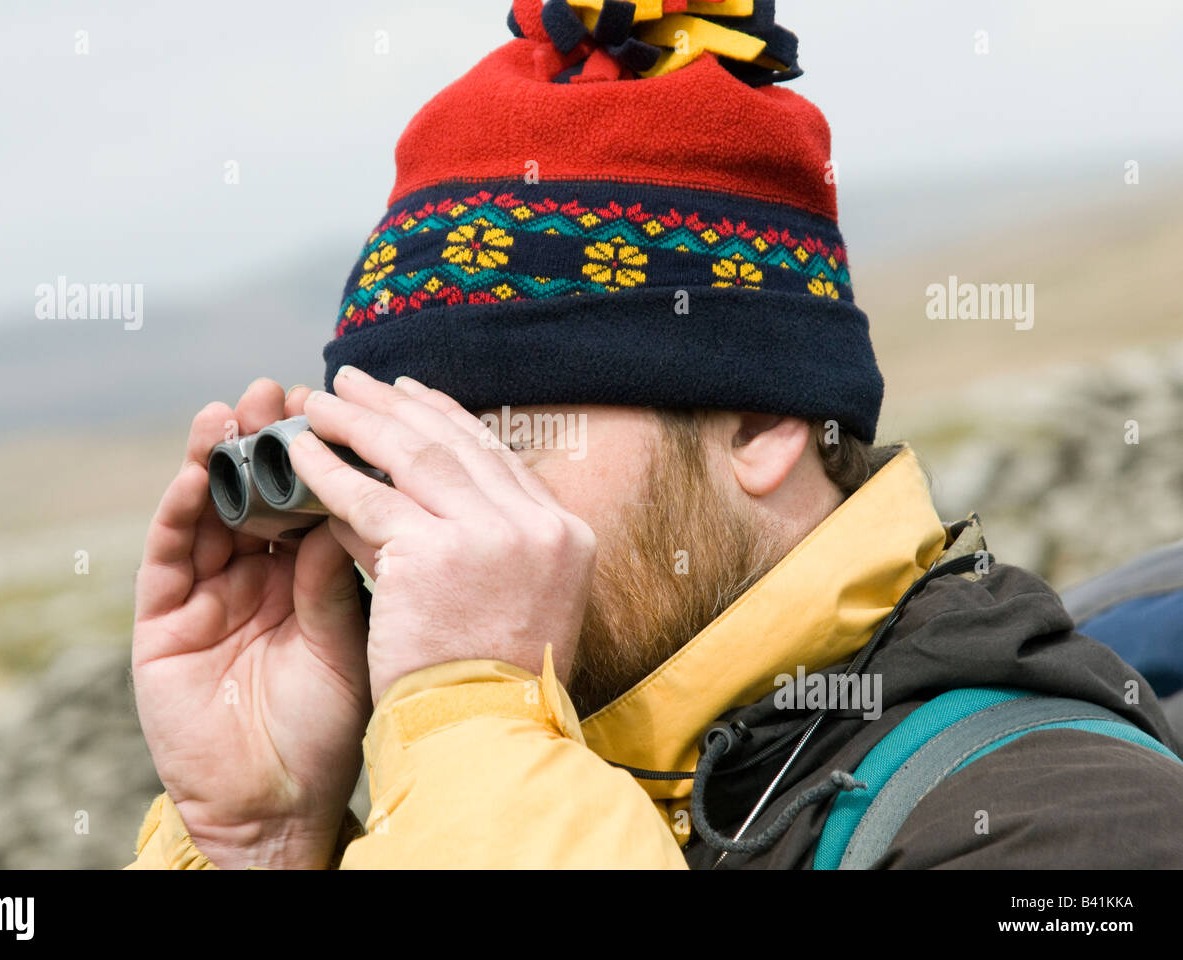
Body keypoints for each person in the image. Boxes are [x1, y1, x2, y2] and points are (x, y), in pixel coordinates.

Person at [124, 1, 1183, 869]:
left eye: (500, 437)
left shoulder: (1066, 829)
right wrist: (258, 843)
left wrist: (473, 733)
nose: (417, 527)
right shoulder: (537, 782)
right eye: (383, 457)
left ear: (760, 424)